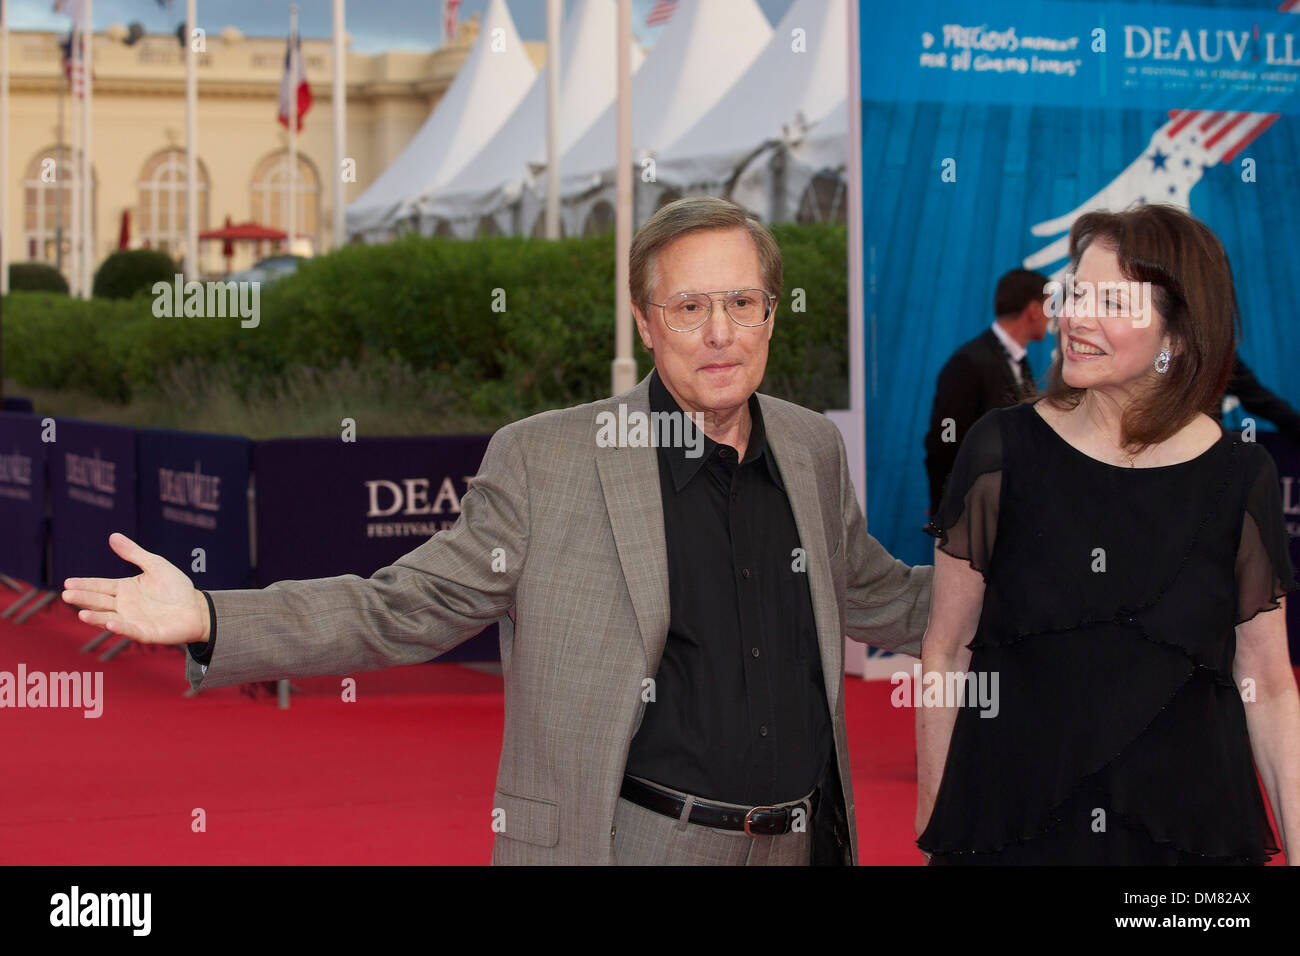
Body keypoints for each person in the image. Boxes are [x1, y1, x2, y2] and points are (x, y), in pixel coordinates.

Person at [61, 197, 933, 866]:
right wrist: (214, 617)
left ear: (774, 312)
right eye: (689, 306)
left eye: (743, 302)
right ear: (643, 321)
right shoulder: (550, 462)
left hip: (801, 842)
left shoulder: (812, 447)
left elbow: (878, 594)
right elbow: (405, 606)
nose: (720, 334)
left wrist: (1046, 575)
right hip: (634, 843)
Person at [916, 203, 1300, 865]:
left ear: (1177, 333)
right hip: (1016, 832)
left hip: (1186, 844)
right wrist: (936, 830)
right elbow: (947, 656)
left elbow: (1266, 683)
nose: (1077, 317)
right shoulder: (999, 452)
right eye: (1075, 292)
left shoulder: (1242, 476)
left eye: (1112, 300)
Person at [923, 269, 1052, 516]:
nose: (1052, 317)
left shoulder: (1019, 362)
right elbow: (944, 441)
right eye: (1049, 308)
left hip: (1009, 511)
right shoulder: (968, 363)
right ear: (1035, 310)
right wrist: (945, 508)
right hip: (973, 514)